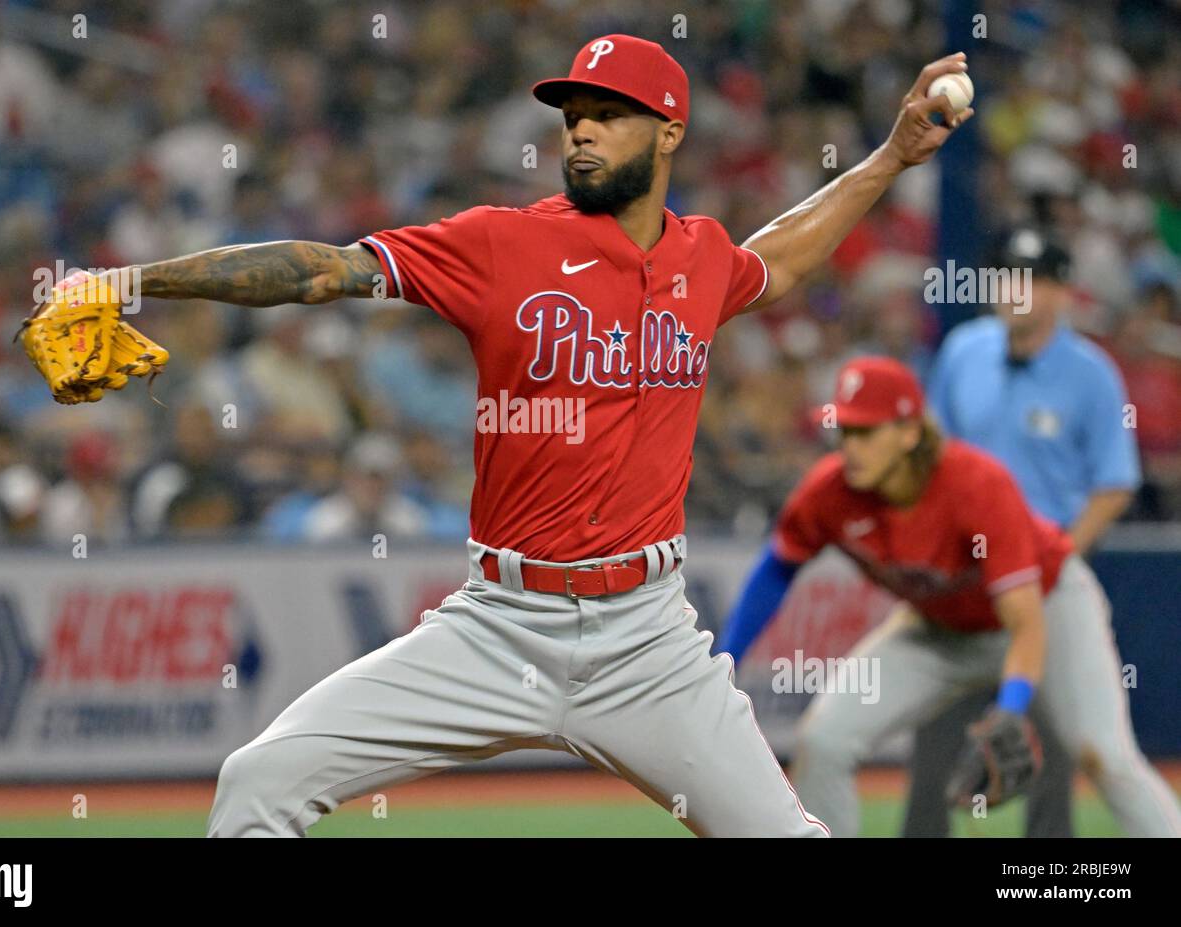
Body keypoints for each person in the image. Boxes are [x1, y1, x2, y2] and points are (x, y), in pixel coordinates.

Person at [78, 35, 972, 836]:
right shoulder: (499, 244)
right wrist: (133, 280)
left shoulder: (703, 259)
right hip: (500, 625)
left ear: (669, 133)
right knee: (258, 782)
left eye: (608, 116)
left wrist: (893, 156)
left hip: (647, 642)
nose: (580, 132)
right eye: (573, 116)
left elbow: (778, 255)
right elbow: (324, 270)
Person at [715, 356, 1179, 837]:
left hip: (1049, 607)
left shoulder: (976, 483)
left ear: (910, 432)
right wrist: (723, 662)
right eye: (844, 432)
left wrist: (1011, 709)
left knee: (1103, 754)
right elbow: (776, 570)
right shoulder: (830, 492)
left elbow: (1026, 622)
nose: (849, 446)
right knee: (825, 739)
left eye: (866, 433)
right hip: (938, 629)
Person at [903, 227, 1142, 837]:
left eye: (1034, 279)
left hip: (1043, 572)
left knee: (1052, 739)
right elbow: (931, 457)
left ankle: (1047, 870)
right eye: (1007, 276)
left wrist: (1059, 557)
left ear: (1064, 292)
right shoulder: (963, 350)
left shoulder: (1092, 374)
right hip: (962, 577)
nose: (1016, 290)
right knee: (936, 731)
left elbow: (1114, 482)